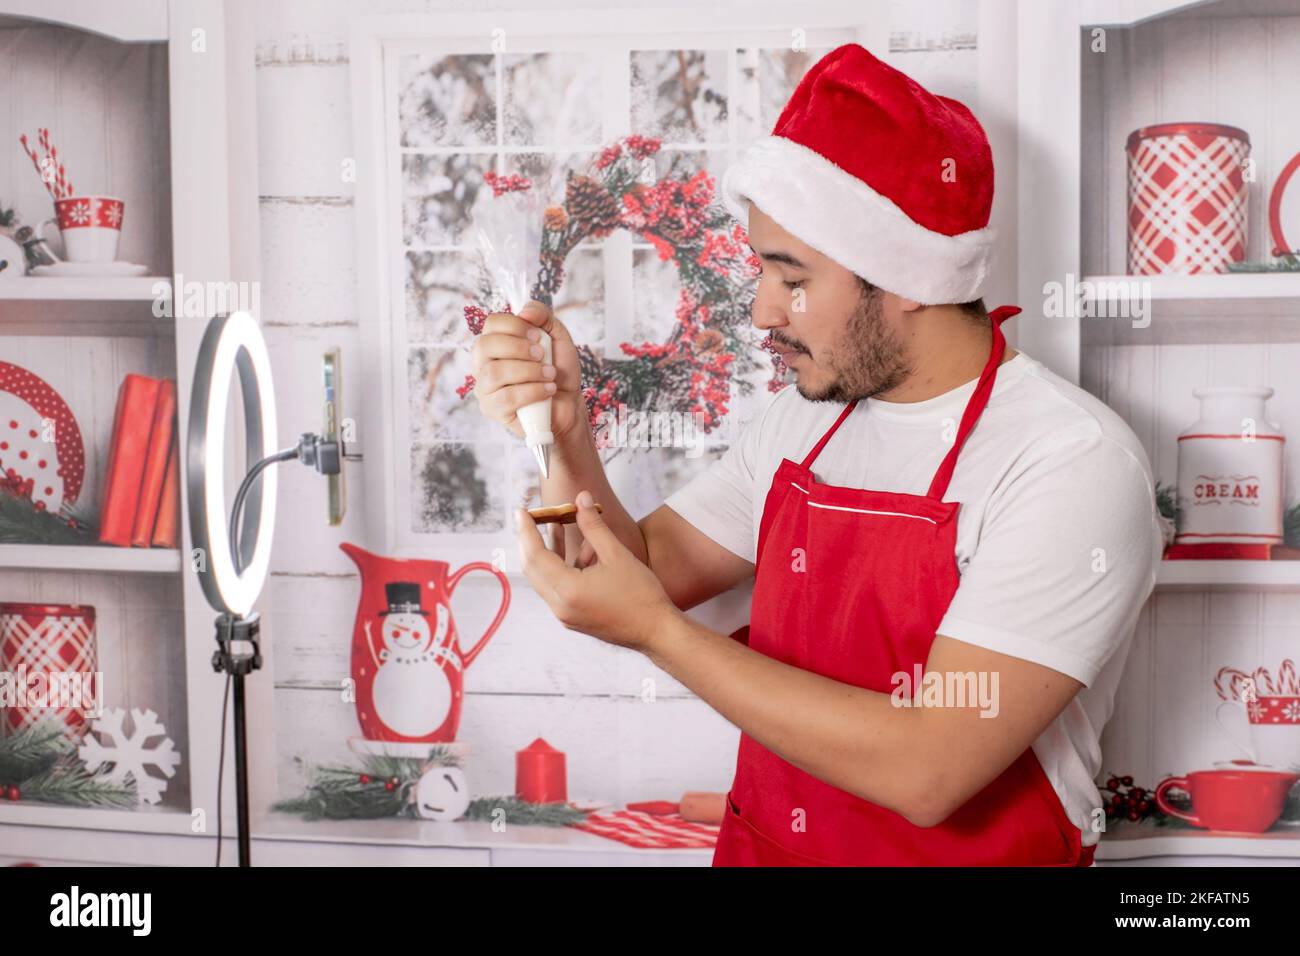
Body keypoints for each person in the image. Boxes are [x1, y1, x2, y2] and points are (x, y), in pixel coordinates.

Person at [471, 43, 1163, 866]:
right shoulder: (804, 425)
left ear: (909, 276)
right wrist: (567, 428)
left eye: (790, 276)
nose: (764, 311)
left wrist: (660, 635)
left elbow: (929, 765)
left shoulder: (1069, 462)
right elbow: (639, 568)